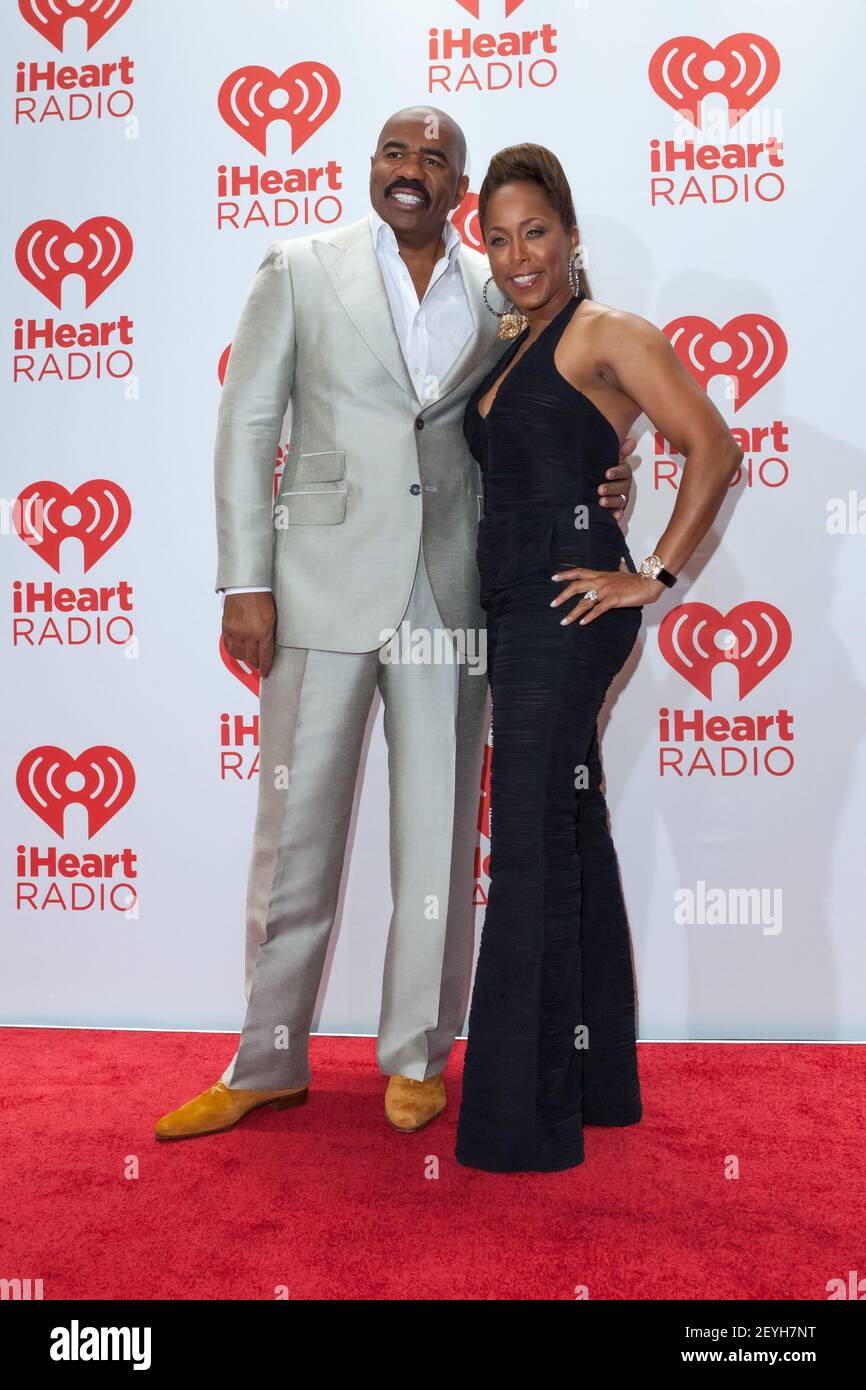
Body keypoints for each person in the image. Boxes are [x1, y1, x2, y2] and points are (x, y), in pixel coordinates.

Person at [154, 111, 635, 1142]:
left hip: (452, 591)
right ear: (369, 168)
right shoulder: (297, 265)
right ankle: (265, 1060)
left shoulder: (495, 286)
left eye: (432, 159)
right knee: (296, 837)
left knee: (437, 837)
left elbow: (550, 393)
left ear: (457, 183)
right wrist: (246, 578)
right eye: (393, 153)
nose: (409, 171)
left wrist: (610, 467)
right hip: (317, 581)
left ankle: (415, 1052)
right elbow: (246, 424)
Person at [455, 144, 744, 1173]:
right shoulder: (508, 339)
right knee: (562, 827)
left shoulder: (608, 331)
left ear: (570, 237)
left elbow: (712, 447)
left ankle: (520, 1122)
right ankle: (591, 1080)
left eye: (534, 231)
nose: (515, 252)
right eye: (495, 236)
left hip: (571, 605)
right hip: (515, 604)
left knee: (528, 844)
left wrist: (654, 574)